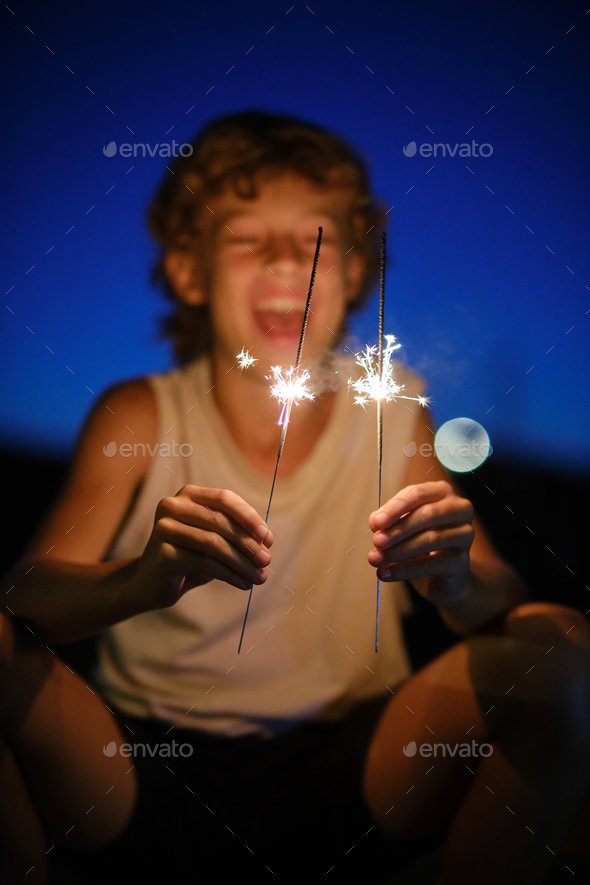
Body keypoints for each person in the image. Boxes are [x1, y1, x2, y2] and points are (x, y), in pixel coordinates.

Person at [1, 110, 589, 885]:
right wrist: (139, 582)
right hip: (139, 772)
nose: (287, 263)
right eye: (247, 239)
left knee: (559, 645)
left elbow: (502, 597)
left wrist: (457, 580)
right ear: (188, 269)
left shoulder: (396, 414)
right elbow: (25, 592)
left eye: (316, 240)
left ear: (354, 277)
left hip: (353, 766)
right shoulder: (139, 414)